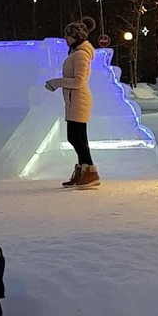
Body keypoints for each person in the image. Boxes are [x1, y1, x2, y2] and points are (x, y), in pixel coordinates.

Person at [42, 18, 100, 188]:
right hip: (74, 100)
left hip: (78, 100)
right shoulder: (77, 53)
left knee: (76, 137)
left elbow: (78, 82)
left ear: (77, 36)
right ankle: (84, 170)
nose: (66, 38)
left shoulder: (81, 54)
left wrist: (56, 82)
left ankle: (90, 171)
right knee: (78, 137)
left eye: (68, 35)